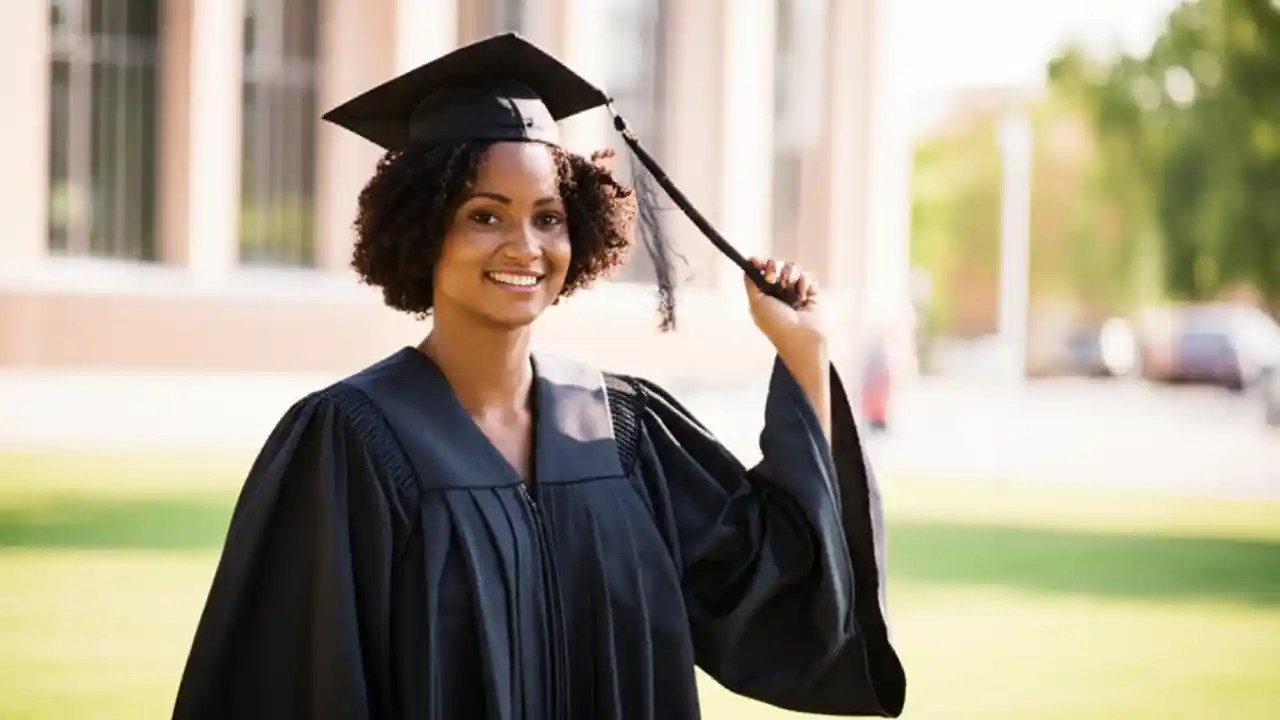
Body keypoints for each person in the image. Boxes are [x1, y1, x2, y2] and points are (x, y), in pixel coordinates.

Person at [173, 33, 905, 720]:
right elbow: (292, 680)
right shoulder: (349, 442)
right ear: (423, 229)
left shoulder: (623, 432)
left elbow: (776, 585)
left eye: (549, 217)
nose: (526, 246)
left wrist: (803, 351)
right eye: (485, 216)